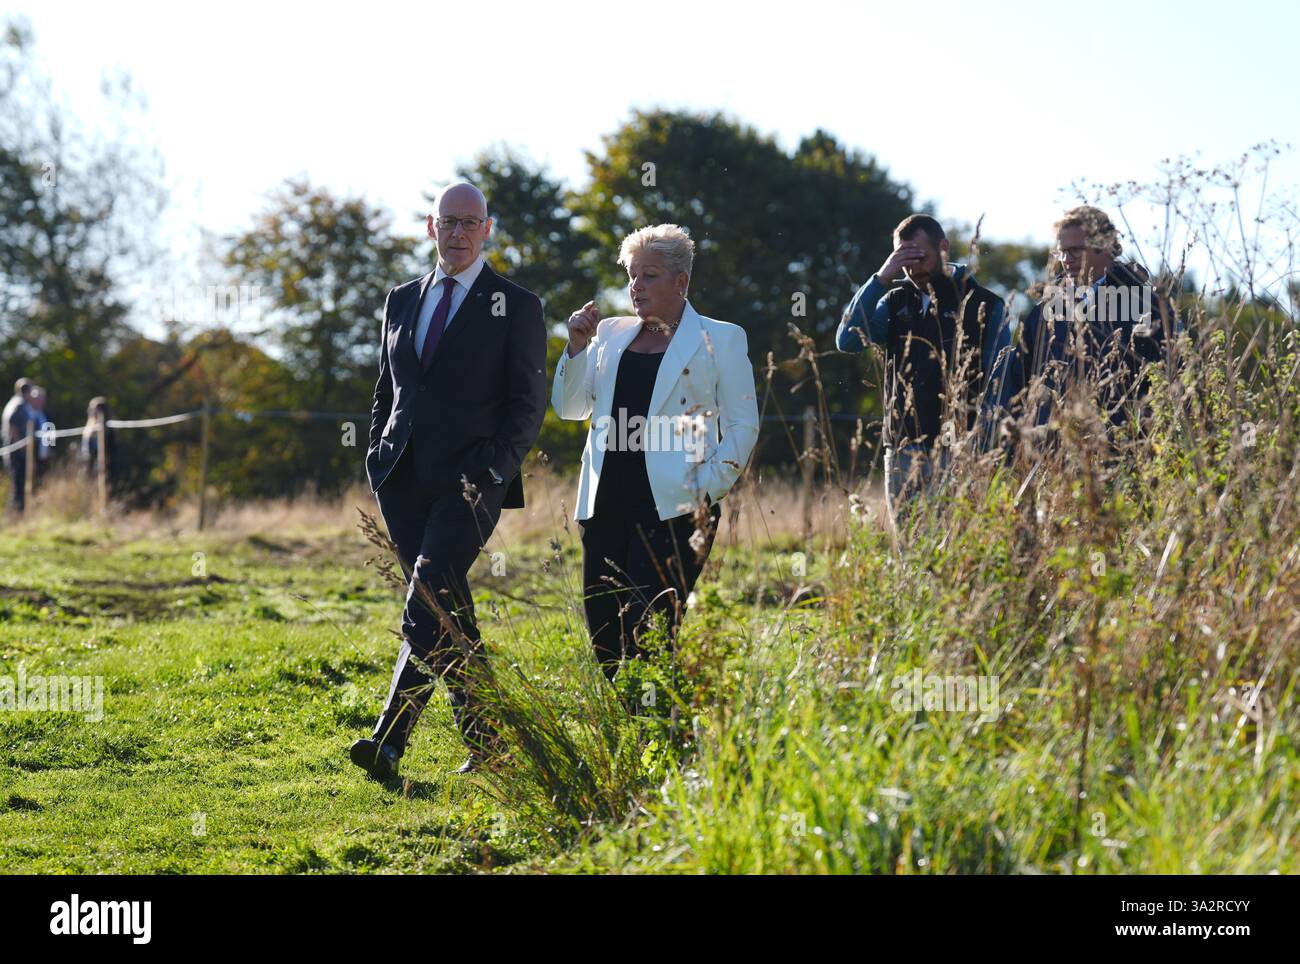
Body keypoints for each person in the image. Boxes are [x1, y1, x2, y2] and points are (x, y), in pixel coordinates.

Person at [350, 182, 548, 781]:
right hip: (402, 477)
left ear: (488, 229)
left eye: (471, 222)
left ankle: (389, 737)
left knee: (426, 595)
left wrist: (494, 469)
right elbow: (390, 384)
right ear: (430, 228)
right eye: (448, 222)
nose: (459, 233)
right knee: (446, 609)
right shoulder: (400, 298)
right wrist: (377, 451)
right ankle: (489, 739)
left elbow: (529, 402)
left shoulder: (516, 305)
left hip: (472, 486)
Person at [552, 224, 760, 683]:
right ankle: (632, 744)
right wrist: (576, 348)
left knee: (650, 635)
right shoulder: (607, 334)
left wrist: (705, 492)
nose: (635, 286)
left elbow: (744, 426)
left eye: (648, 276)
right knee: (606, 642)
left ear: (680, 282)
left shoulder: (721, 338)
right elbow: (570, 409)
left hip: (675, 513)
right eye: (631, 275)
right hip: (604, 508)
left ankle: (662, 743)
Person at [836, 215, 1018, 524]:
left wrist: (983, 449)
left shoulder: (984, 304)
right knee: (911, 554)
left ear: (943, 248)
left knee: (958, 551)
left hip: (959, 450)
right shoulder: (892, 301)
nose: (913, 268)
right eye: (903, 260)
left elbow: (999, 384)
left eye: (920, 256)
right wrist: (880, 278)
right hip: (901, 451)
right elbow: (847, 340)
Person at [1017, 205, 1169, 432]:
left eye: (1076, 250)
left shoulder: (1146, 305)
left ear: (1105, 246)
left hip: (1124, 449)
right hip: (1052, 453)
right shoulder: (1042, 314)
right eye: (1062, 252)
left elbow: (1169, 378)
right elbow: (1019, 385)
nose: (1066, 260)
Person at [2, 378, 35, 514]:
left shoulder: (14, 403)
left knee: (17, 486)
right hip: (16, 452)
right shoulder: (19, 404)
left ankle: (15, 516)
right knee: (18, 487)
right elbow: (13, 424)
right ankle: (15, 517)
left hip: (13, 451)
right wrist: (22, 446)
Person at [79, 397, 117, 485]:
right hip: (88, 467)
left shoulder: (109, 430)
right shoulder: (88, 428)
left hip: (105, 470)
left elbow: (112, 452)